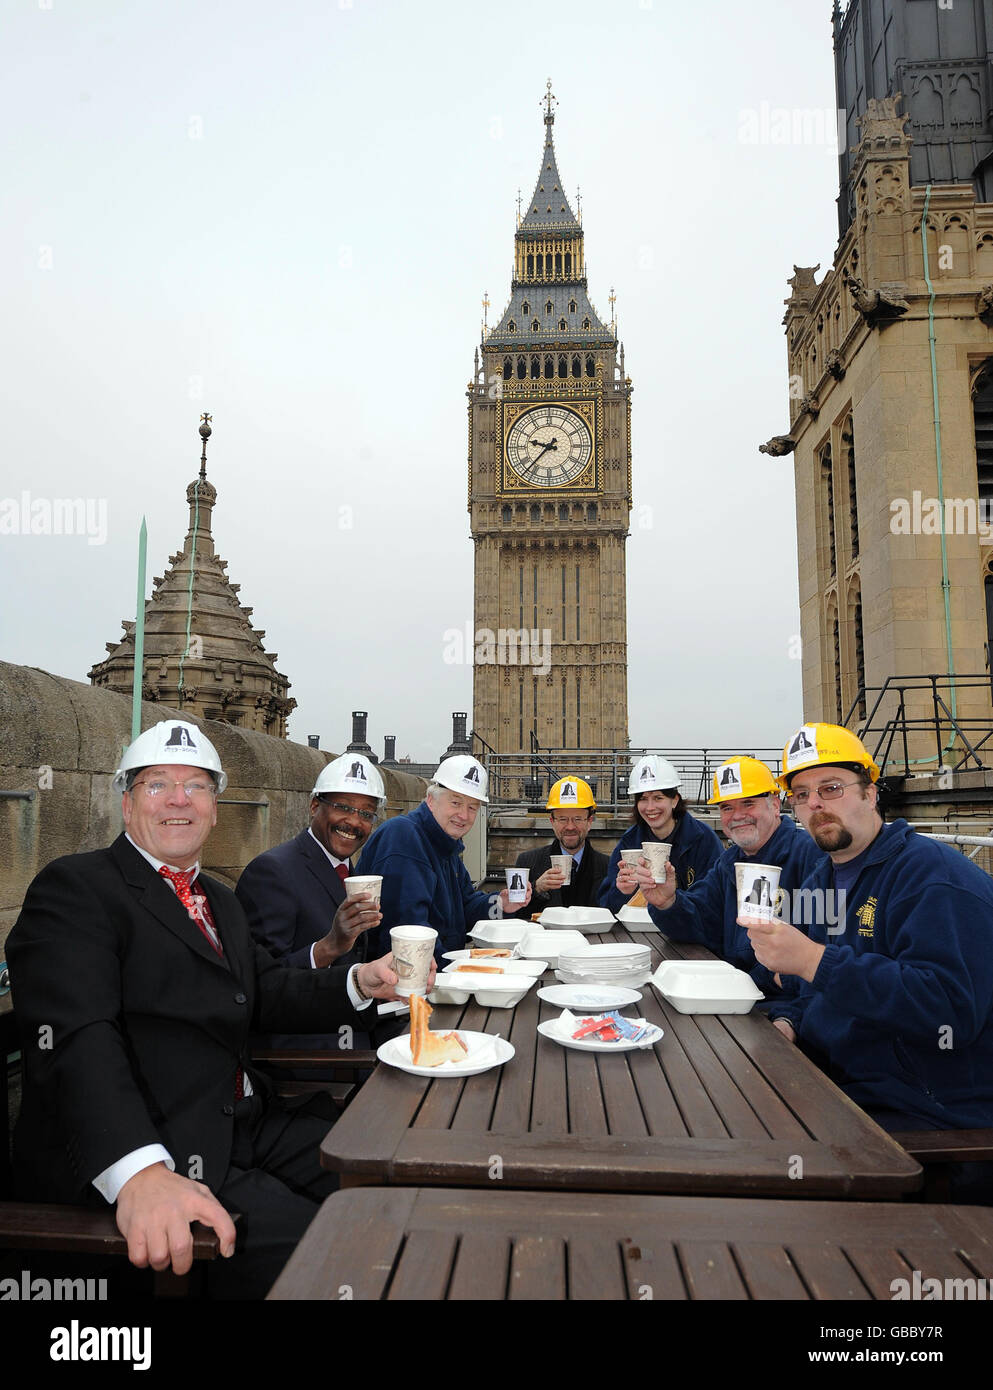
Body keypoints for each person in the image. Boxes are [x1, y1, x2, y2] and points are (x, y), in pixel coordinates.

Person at [6, 720, 416, 1297]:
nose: (179, 799)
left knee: (395, 1179)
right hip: (162, 1147)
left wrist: (358, 984)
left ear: (215, 808)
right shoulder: (76, 888)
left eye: (197, 786)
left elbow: (266, 989)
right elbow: (76, 1036)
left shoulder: (219, 898)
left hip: (246, 1121)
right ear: (127, 803)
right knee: (339, 1261)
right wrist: (138, 1172)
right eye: (157, 785)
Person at [745, 723, 993, 1168]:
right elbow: (821, 991)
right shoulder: (824, 877)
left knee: (763, 1169)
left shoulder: (934, 878)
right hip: (843, 1078)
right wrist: (791, 1020)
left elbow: (950, 1010)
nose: (815, 804)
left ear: (871, 793)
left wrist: (815, 961)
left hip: (932, 1114)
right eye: (801, 794)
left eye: (832, 787)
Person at [637, 756, 825, 1001]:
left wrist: (789, 1018)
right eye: (727, 807)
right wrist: (668, 902)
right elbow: (700, 923)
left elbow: (825, 959)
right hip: (737, 997)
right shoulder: (729, 862)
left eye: (748, 803)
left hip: (782, 1005)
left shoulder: (812, 857)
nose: (737, 815)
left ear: (776, 805)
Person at [363, 755, 530, 960]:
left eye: (472, 807)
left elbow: (466, 907)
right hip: (404, 983)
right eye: (455, 803)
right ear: (431, 800)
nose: (464, 815)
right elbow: (409, 933)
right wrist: (463, 969)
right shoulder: (403, 837)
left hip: (433, 972)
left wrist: (501, 904)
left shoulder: (446, 844)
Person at [597, 754, 721, 914]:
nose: (650, 807)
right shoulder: (629, 842)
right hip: (637, 933)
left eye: (658, 798)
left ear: (675, 800)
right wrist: (622, 892)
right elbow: (606, 906)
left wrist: (671, 901)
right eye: (643, 799)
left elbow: (715, 902)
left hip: (691, 936)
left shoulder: (703, 840)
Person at [507, 775, 610, 918]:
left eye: (578, 819)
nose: (570, 827)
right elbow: (514, 916)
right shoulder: (527, 863)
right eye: (562, 819)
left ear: (589, 821)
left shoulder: (608, 867)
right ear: (552, 821)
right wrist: (537, 889)